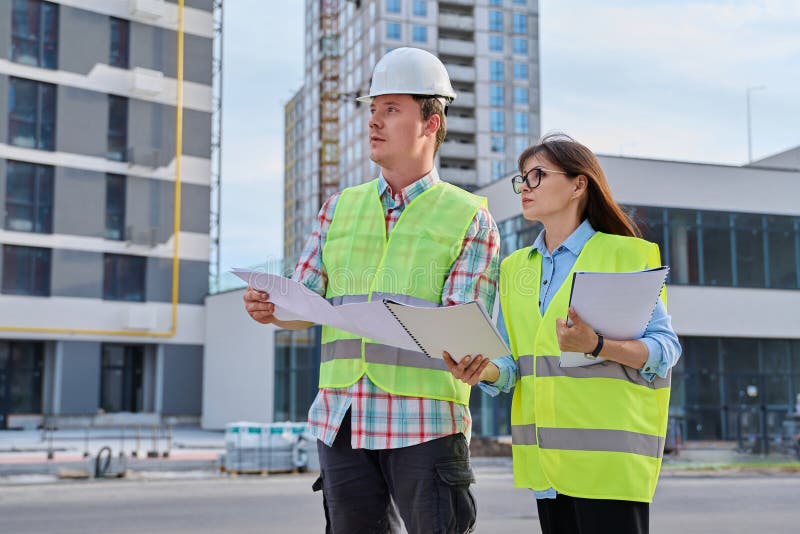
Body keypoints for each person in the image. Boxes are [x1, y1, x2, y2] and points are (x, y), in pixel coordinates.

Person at [243, 47, 500, 534]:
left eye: (391, 109)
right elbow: (306, 302)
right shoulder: (339, 208)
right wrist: (273, 309)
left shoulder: (470, 216)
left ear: (431, 122)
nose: (374, 122)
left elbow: (464, 324)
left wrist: (471, 357)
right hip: (343, 418)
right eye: (373, 109)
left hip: (425, 423)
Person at [444, 134, 681, 534]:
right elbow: (514, 363)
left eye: (537, 175)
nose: (526, 187)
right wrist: (482, 370)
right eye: (522, 179)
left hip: (610, 467)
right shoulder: (516, 268)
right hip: (547, 467)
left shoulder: (623, 254)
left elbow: (665, 349)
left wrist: (597, 345)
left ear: (578, 184)